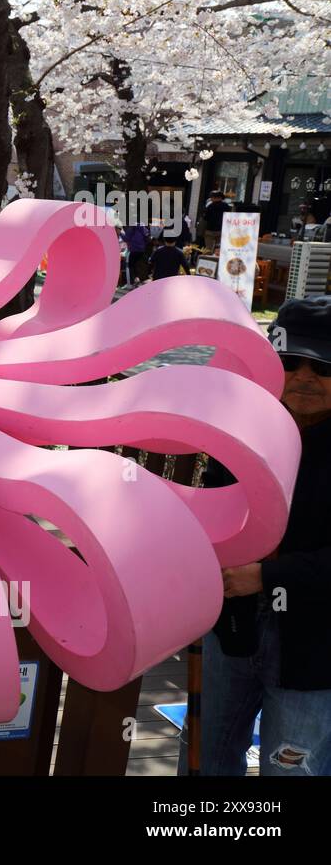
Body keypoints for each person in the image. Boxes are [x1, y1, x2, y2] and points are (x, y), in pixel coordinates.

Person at [178, 295, 331, 775]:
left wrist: (266, 576)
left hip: (314, 649)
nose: (304, 376)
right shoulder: (246, 428)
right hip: (231, 630)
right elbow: (211, 512)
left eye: (322, 366)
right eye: (290, 361)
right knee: (206, 759)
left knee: (292, 770)